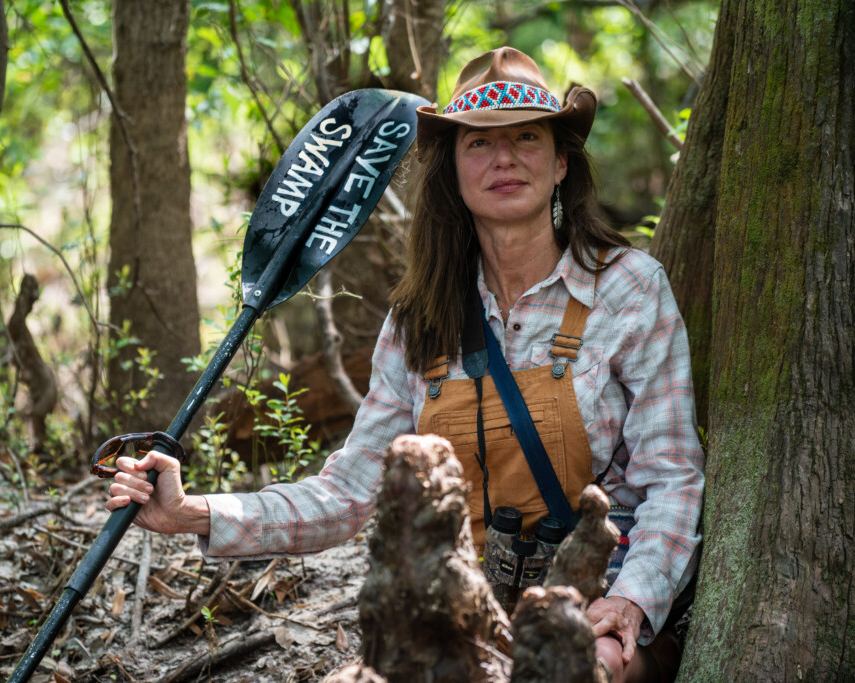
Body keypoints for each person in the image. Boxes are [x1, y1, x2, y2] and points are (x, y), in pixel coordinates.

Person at [105, 47, 704, 683]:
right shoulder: (420, 320)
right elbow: (349, 492)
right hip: (460, 609)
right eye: (478, 143)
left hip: (599, 604)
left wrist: (634, 599)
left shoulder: (629, 290)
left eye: (526, 138)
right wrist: (193, 512)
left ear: (560, 162)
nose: (503, 159)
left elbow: (673, 476)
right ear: (452, 168)